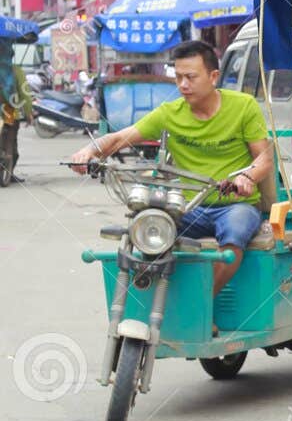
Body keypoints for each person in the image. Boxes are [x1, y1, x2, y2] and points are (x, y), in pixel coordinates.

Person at [70, 39, 272, 298]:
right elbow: (120, 138)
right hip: (189, 207)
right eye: (178, 77)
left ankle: (199, 307)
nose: (183, 85)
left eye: (190, 77)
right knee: (145, 229)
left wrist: (247, 176)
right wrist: (88, 151)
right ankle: (154, 300)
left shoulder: (243, 106)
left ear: (213, 77)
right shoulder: (169, 113)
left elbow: (264, 159)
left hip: (236, 205)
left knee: (235, 232)